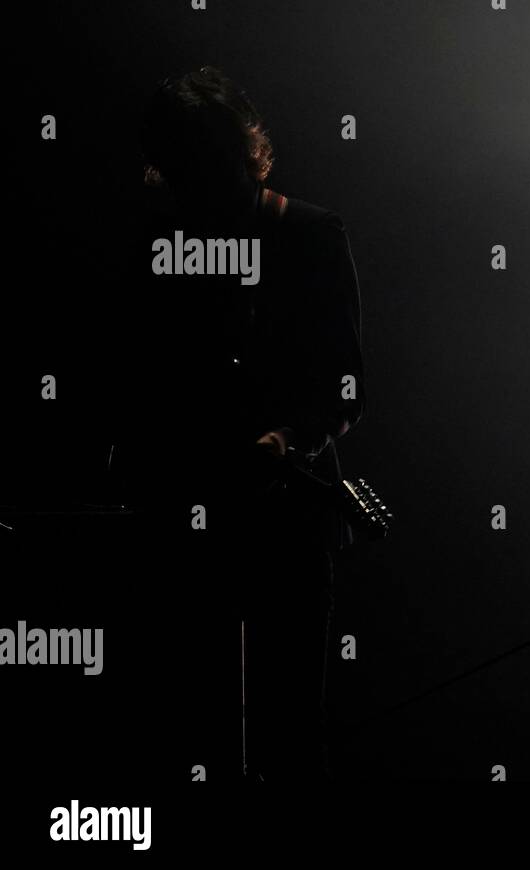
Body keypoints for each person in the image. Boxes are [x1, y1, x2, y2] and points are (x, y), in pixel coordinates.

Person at [118, 66, 364, 779]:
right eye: (183, 170)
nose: (199, 189)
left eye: (208, 167)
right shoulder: (161, 247)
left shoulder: (312, 236)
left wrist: (284, 441)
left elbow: (347, 387)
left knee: (286, 727)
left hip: (281, 523)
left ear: (240, 153)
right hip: (187, 517)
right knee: (197, 723)